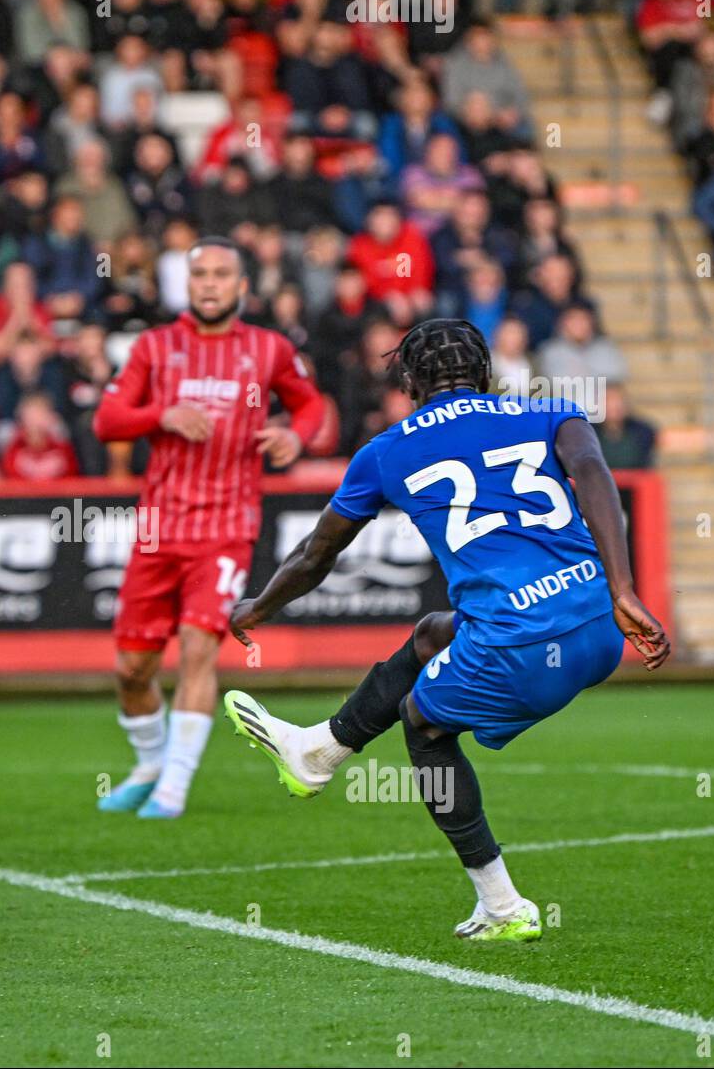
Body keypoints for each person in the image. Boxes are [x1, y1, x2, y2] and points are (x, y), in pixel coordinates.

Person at [223, 319, 670, 941]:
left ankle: (503, 906)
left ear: (408, 382)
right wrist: (623, 589)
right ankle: (318, 752)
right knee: (437, 631)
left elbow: (314, 557)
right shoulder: (553, 413)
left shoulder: (385, 451)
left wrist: (258, 608)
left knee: (424, 724)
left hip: (519, 645)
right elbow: (595, 476)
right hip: (600, 627)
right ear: (486, 371)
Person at [92, 236, 325, 818]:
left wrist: (296, 435)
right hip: (158, 528)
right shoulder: (155, 346)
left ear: (243, 286)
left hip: (226, 526)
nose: (211, 284)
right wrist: (159, 414)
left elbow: (310, 404)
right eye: (201, 275)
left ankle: (174, 787)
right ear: (187, 284)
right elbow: (107, 420)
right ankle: (150, 764)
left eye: (223, 274)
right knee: (131, 668)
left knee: (199, 648)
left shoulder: (267, 349)